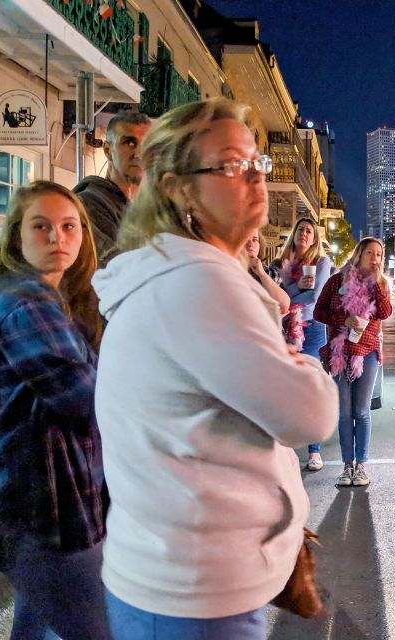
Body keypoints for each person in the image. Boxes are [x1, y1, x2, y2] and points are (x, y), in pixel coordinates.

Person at [91, 98, 338, 640]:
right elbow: (311, 415)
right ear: (179, 187)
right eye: (231, 164)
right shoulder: (199, 283)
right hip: (195, 593)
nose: (253, 178)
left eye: (256, 163)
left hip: (176, 575)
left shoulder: (169, 268)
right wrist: (303, 367)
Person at [0, 181, 109, 639]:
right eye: (41, 226)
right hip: (39, 508)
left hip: (25, 501)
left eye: (69, 227)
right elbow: (88, 398)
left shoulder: (44, 295)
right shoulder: (25, 303)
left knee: (37, 626)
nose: (57, 238)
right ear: (17, 236)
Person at [314, 237, 392, 488]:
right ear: (358, 254)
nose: (375, 258)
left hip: (367, 352)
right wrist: (343, 320)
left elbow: (385, 312)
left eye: (379, 254)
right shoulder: (337, 280)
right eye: (370, 252)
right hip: (340, 351)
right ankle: (347, 465)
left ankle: (361, 466)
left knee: (362, 410)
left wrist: (378, 283)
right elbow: (319, 312)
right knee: (345, 413)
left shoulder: (381, 284)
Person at [277, 217, 332, 471]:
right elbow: (276, 295)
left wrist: (291, 290)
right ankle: (283, 449)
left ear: (315, 238)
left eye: (309, 231)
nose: (305, 234)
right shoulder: (283, 263)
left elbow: (315, 295)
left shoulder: (322, 262)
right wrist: (295, 289)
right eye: (301, 229)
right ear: (295, 233)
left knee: (310, 388)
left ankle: (314, 451)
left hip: (313, 330)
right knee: (286, 387)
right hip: (286, 328)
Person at [74, 110, 151, 266]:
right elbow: (118, 267)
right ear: (108, 150)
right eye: (129, 142)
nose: (139, 153)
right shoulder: (89, 204)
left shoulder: (143, 207)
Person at [244, 229, 290, 315]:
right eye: (245, 238)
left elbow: (284, 306)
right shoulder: (227, 269)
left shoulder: (268, 272)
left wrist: (262, 274)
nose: (251, 244)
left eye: (255, 240)